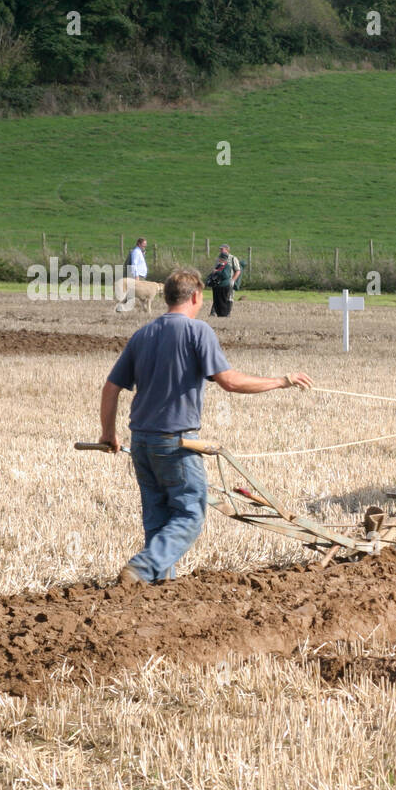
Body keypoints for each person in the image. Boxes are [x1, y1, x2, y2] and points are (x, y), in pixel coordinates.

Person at [98, 267, 312, 586]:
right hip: (176, 443)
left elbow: (110, 389)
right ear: (196, 297)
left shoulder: (143, 334)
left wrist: (108, 433)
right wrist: (282, 381)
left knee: (158, 519)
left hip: (141, 442)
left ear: (168, 296)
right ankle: (143, 568)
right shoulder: (198, 332)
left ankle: (157, 586)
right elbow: (230, 382)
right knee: (190, 512)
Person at [206, 244, 241, 317]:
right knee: (217, 296)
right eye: (220, 249)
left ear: (227, 249)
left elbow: (238, 271)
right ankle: (214, 312)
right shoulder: (219, 258)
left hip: (228, 281)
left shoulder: (233, 258)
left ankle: (227, 313)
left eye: (222, 249)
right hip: (219, 282)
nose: (220, 250)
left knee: (229, 297)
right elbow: (217, 268)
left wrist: (233, 280)